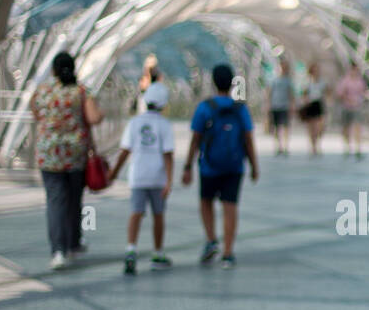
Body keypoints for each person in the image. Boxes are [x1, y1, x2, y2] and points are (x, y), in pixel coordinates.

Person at [30, 50, 103, 270]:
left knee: (55, 202)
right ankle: (73, 244)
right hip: (75, 155)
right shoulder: (80, 92)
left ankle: (58, 251)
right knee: (74, 200)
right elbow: (94, 118)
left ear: (53, 70)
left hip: (49, 154)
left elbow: (35, 113)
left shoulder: (43, 91)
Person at [182, 63, 259, 268]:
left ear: (213, 81)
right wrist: (254, 166)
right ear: (232, 82)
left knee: (206, 201)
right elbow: (249, 139)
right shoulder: (240, 109)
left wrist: (188, 166)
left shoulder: (205, 107)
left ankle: (211, 240)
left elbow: (195, 139)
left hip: (209, 166)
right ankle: (228, 253)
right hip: (235, 167)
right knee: (230, 206)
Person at [108, 81, 174, 275]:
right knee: (158, 215)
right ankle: (157, 253)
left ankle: (131, 249)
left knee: (136, 212)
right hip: (157, 177)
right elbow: (168, 154)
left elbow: (124, 151)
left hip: (137, 176)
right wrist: (169, 181)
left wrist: (113, 173)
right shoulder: (164, 124)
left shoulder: (134, 122)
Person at [335, 60, 368, 158]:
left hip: (357, 107)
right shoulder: (345, 80)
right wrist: (347, 99)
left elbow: (364, 92)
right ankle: (347, 146)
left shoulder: (360, 81)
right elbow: (339, 94)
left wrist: (361, 99)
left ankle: (358, 148)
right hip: (346, 106)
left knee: (358, 126)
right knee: (346, 127)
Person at [267, 57, 294, 156]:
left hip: (285, 106)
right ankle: (278, 146)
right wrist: (268, 105)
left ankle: (286, 146)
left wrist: (292, 106)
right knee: (276, 127)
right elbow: (269, 92)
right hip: (275, 105)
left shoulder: (288, 80)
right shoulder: (273, 79)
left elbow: (291, 94)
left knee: (286, 126)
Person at [299, 61, 326, 156]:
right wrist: (305, 100)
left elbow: (326, 92)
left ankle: (317, 142)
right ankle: (313, 146)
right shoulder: (307, 81)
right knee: (311, 127)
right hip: (310, 104)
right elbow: (303, 93)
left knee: (319, 127)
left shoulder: (322, 81)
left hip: (318, 104)